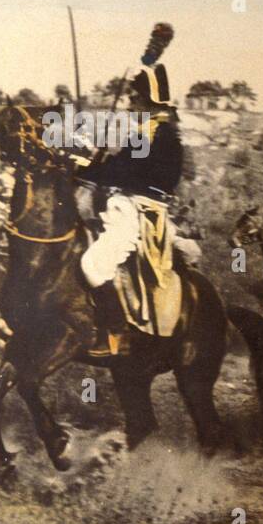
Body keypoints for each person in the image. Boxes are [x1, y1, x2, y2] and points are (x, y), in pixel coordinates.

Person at [78, 22, 185, 355]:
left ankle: (117, 333)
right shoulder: (149, 131)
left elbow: (123, 171)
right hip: (126, 203)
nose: (129, 103)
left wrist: (90, 167)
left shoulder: (154, 133)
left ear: (150, 101)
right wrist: (94, 165)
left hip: (140, 211)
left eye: (135, 98)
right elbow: (120, 166)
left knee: (93, 265)